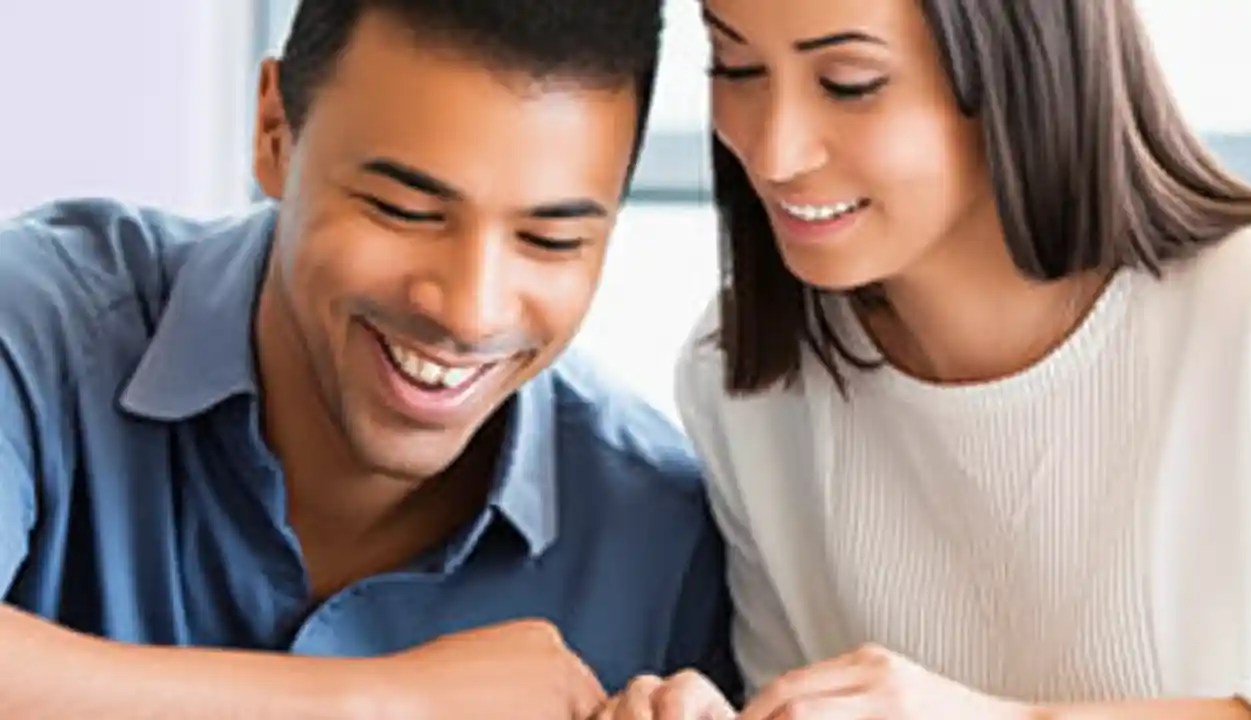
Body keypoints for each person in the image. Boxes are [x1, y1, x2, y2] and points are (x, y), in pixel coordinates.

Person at [0, 0, 738, 717]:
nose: (469, 311)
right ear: (275, 133)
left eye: (551, 242)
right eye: (405, 212)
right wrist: (387, 700)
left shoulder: (663, 543)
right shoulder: (44, 328)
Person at [595, 0, 1251, 718]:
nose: (775, 154)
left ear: (1021, 64)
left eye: (850, 83)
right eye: (736, 68)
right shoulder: (750, 384)